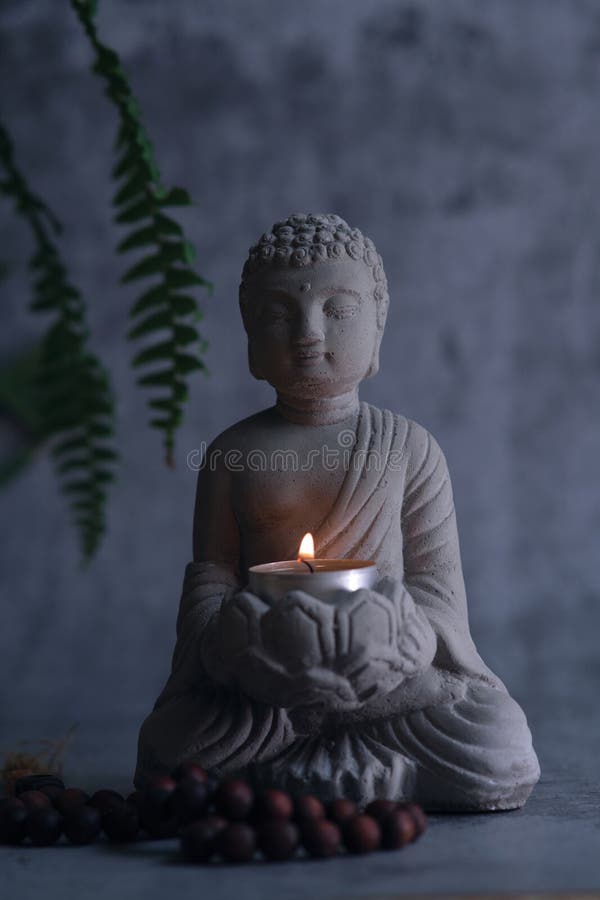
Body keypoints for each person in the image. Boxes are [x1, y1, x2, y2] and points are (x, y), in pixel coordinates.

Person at [135, 214, 540, 810]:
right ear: (250, 337)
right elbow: (212, 578)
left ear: (378, 326)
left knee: (497, 742)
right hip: (265, 685)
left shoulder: (410, 448)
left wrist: (383, 645)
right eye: (278, 314)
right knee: (170, 744)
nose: (307, 332)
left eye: (338, 310)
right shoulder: (231, 453)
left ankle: (304, 758)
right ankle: (318, 743)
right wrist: (237, 645)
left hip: (388, 681)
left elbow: (437, 589)